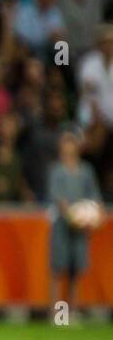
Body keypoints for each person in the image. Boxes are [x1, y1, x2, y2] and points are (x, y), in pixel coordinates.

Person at [47, 129, 103, 313]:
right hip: (62, 225)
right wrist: (72, 216)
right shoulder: (56, 171)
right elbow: (58, 198)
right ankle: (57, 314)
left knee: (76, 270)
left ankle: (73, 312)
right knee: (58, 269)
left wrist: (94, 216)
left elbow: (94, 196)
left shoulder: (86, 171)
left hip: (80, 228)